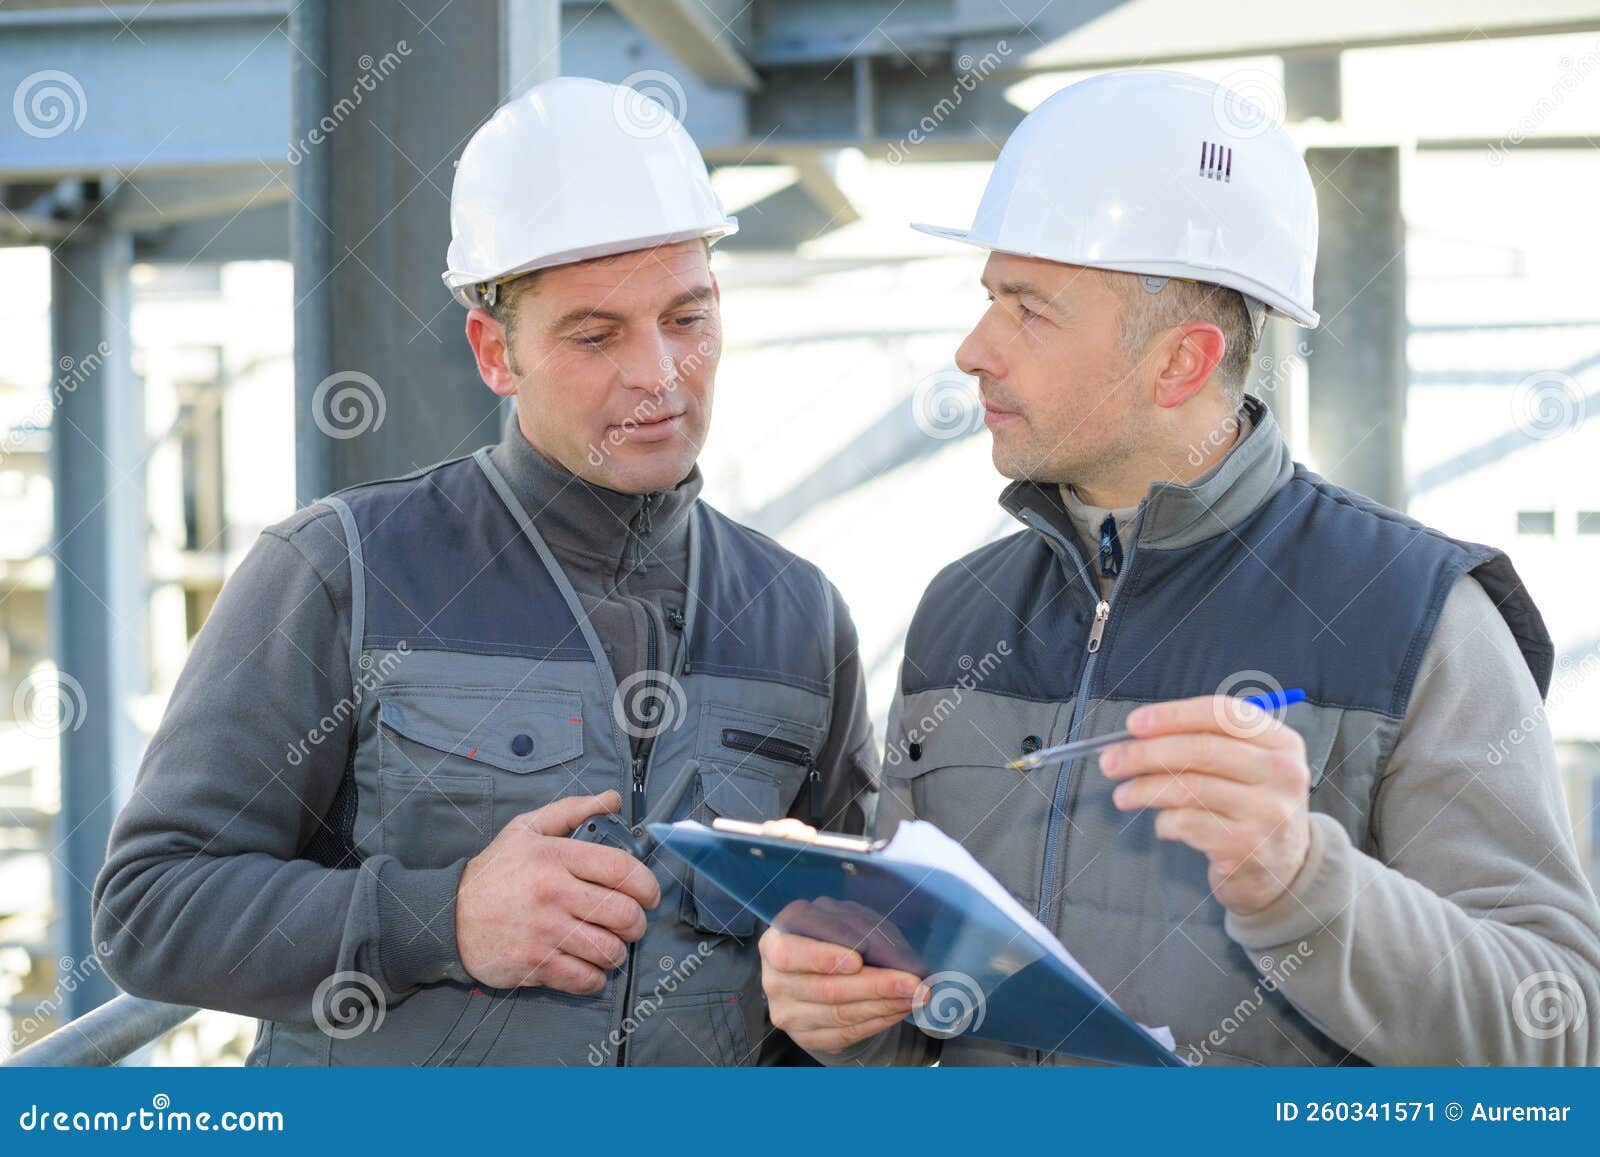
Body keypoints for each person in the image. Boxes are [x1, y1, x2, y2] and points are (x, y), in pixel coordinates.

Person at [759, 68, 1600, 1066]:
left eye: (1027, 310)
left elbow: (1557, 1025)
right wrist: (845, 1013)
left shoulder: (1417, 616)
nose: (971, 348)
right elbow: (918, 1012)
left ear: (1179, 363)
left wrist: (1303, 881)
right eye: (988, 298)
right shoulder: (963, 611)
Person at [92, 77, 877, 1066]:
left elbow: (852, 955)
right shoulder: (343, 568)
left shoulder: (798, 613)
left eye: (686, 319)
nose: (659, 375)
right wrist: (444, 916)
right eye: (596, 335)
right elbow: (149, 909)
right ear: (494, 352)